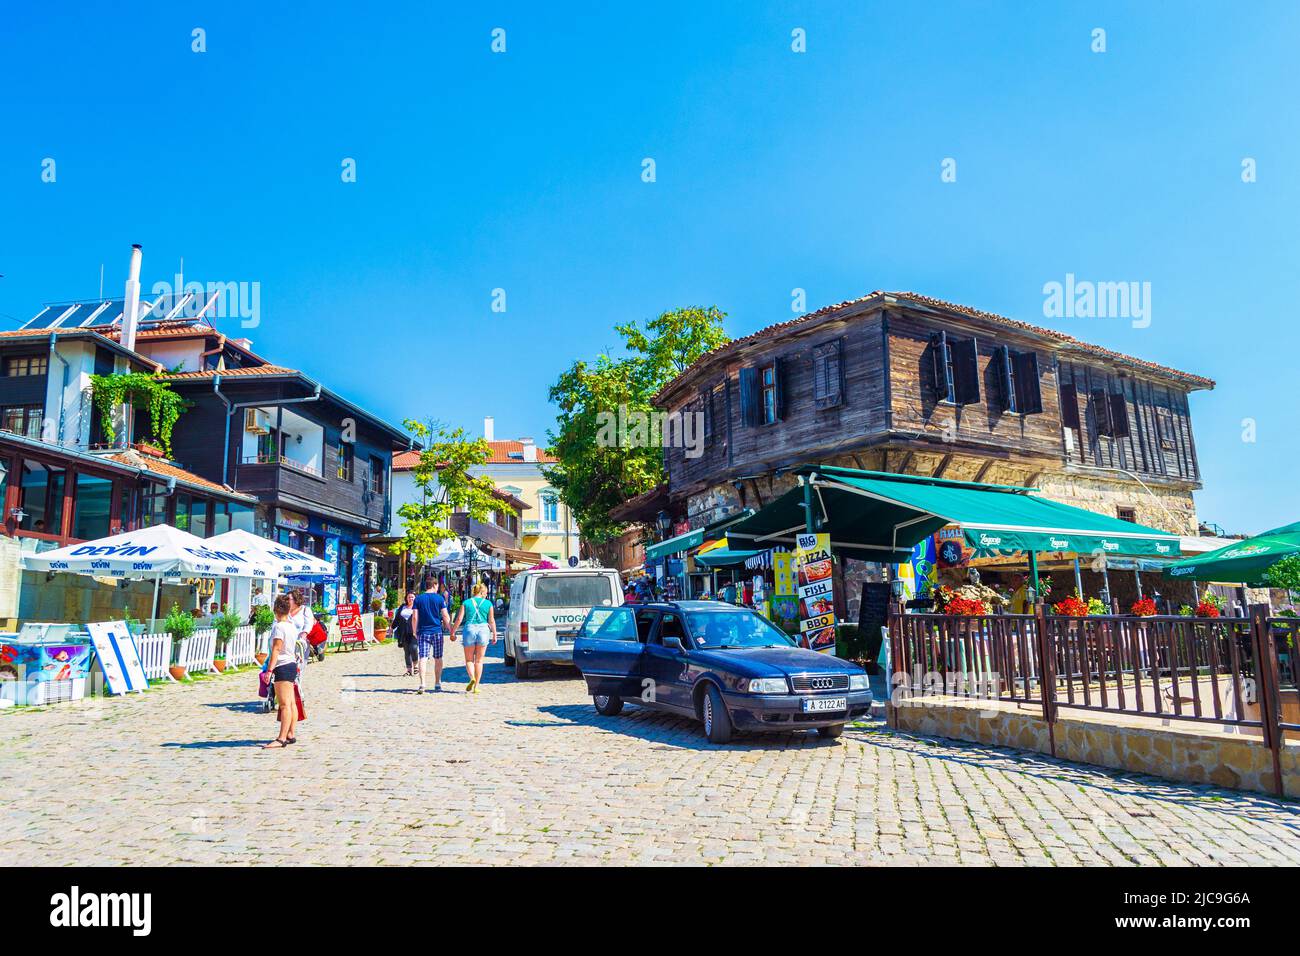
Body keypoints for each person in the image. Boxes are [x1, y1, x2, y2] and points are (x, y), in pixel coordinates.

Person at [262, 594, 300, 749]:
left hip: (282, 665)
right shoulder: (291, 626)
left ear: (276, 610)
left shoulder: (279, 627)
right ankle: (291, 733)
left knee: (284, 705)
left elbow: (277, 649)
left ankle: (281, 738)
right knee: (291, 702)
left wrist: (269, 670)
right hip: (291, 664)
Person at [450, 582, 496, 694]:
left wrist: (453, 632)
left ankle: (472, 678)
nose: (486, 594)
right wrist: (494, 634)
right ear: (481, 592)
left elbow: (459, 619)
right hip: (483, 630)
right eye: (485, 592)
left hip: (469, 629)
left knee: (469, 660)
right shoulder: (488, 603)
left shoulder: (466, 602)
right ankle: (476, 686)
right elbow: (491, 620)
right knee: (479, 661)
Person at [411, 576, 452, 694]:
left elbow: (414, 617)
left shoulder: (418, 599)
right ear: (434, 585)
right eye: (437, 585)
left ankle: (422, 684)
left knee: (423, 657)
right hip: (437, 632)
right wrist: (450, 630)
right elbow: (445, 616)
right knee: (438, 658)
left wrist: (414, 631)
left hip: (423, 632)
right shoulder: (439, 599)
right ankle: (437, 683)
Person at [288, 589, 322, 662]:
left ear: (296, 600)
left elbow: (308, 625)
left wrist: (304, 635)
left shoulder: (305, 610)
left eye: (289, 599)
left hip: (299, 643)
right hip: (287, 644)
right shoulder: (285, 611)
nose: (286, 601)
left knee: (297, 668)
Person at [392, 591, 418, 676]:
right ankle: (409, 670)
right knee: (406, 651)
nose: (411, 599)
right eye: (409, 597)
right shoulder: (402, 607)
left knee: (413, 648)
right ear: (406, 598)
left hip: (414, 632)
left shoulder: (417, 607)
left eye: (412, 597)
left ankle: (416, 666)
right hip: (403, 632)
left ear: (415, 598)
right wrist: (391, 627)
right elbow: (397, 619)